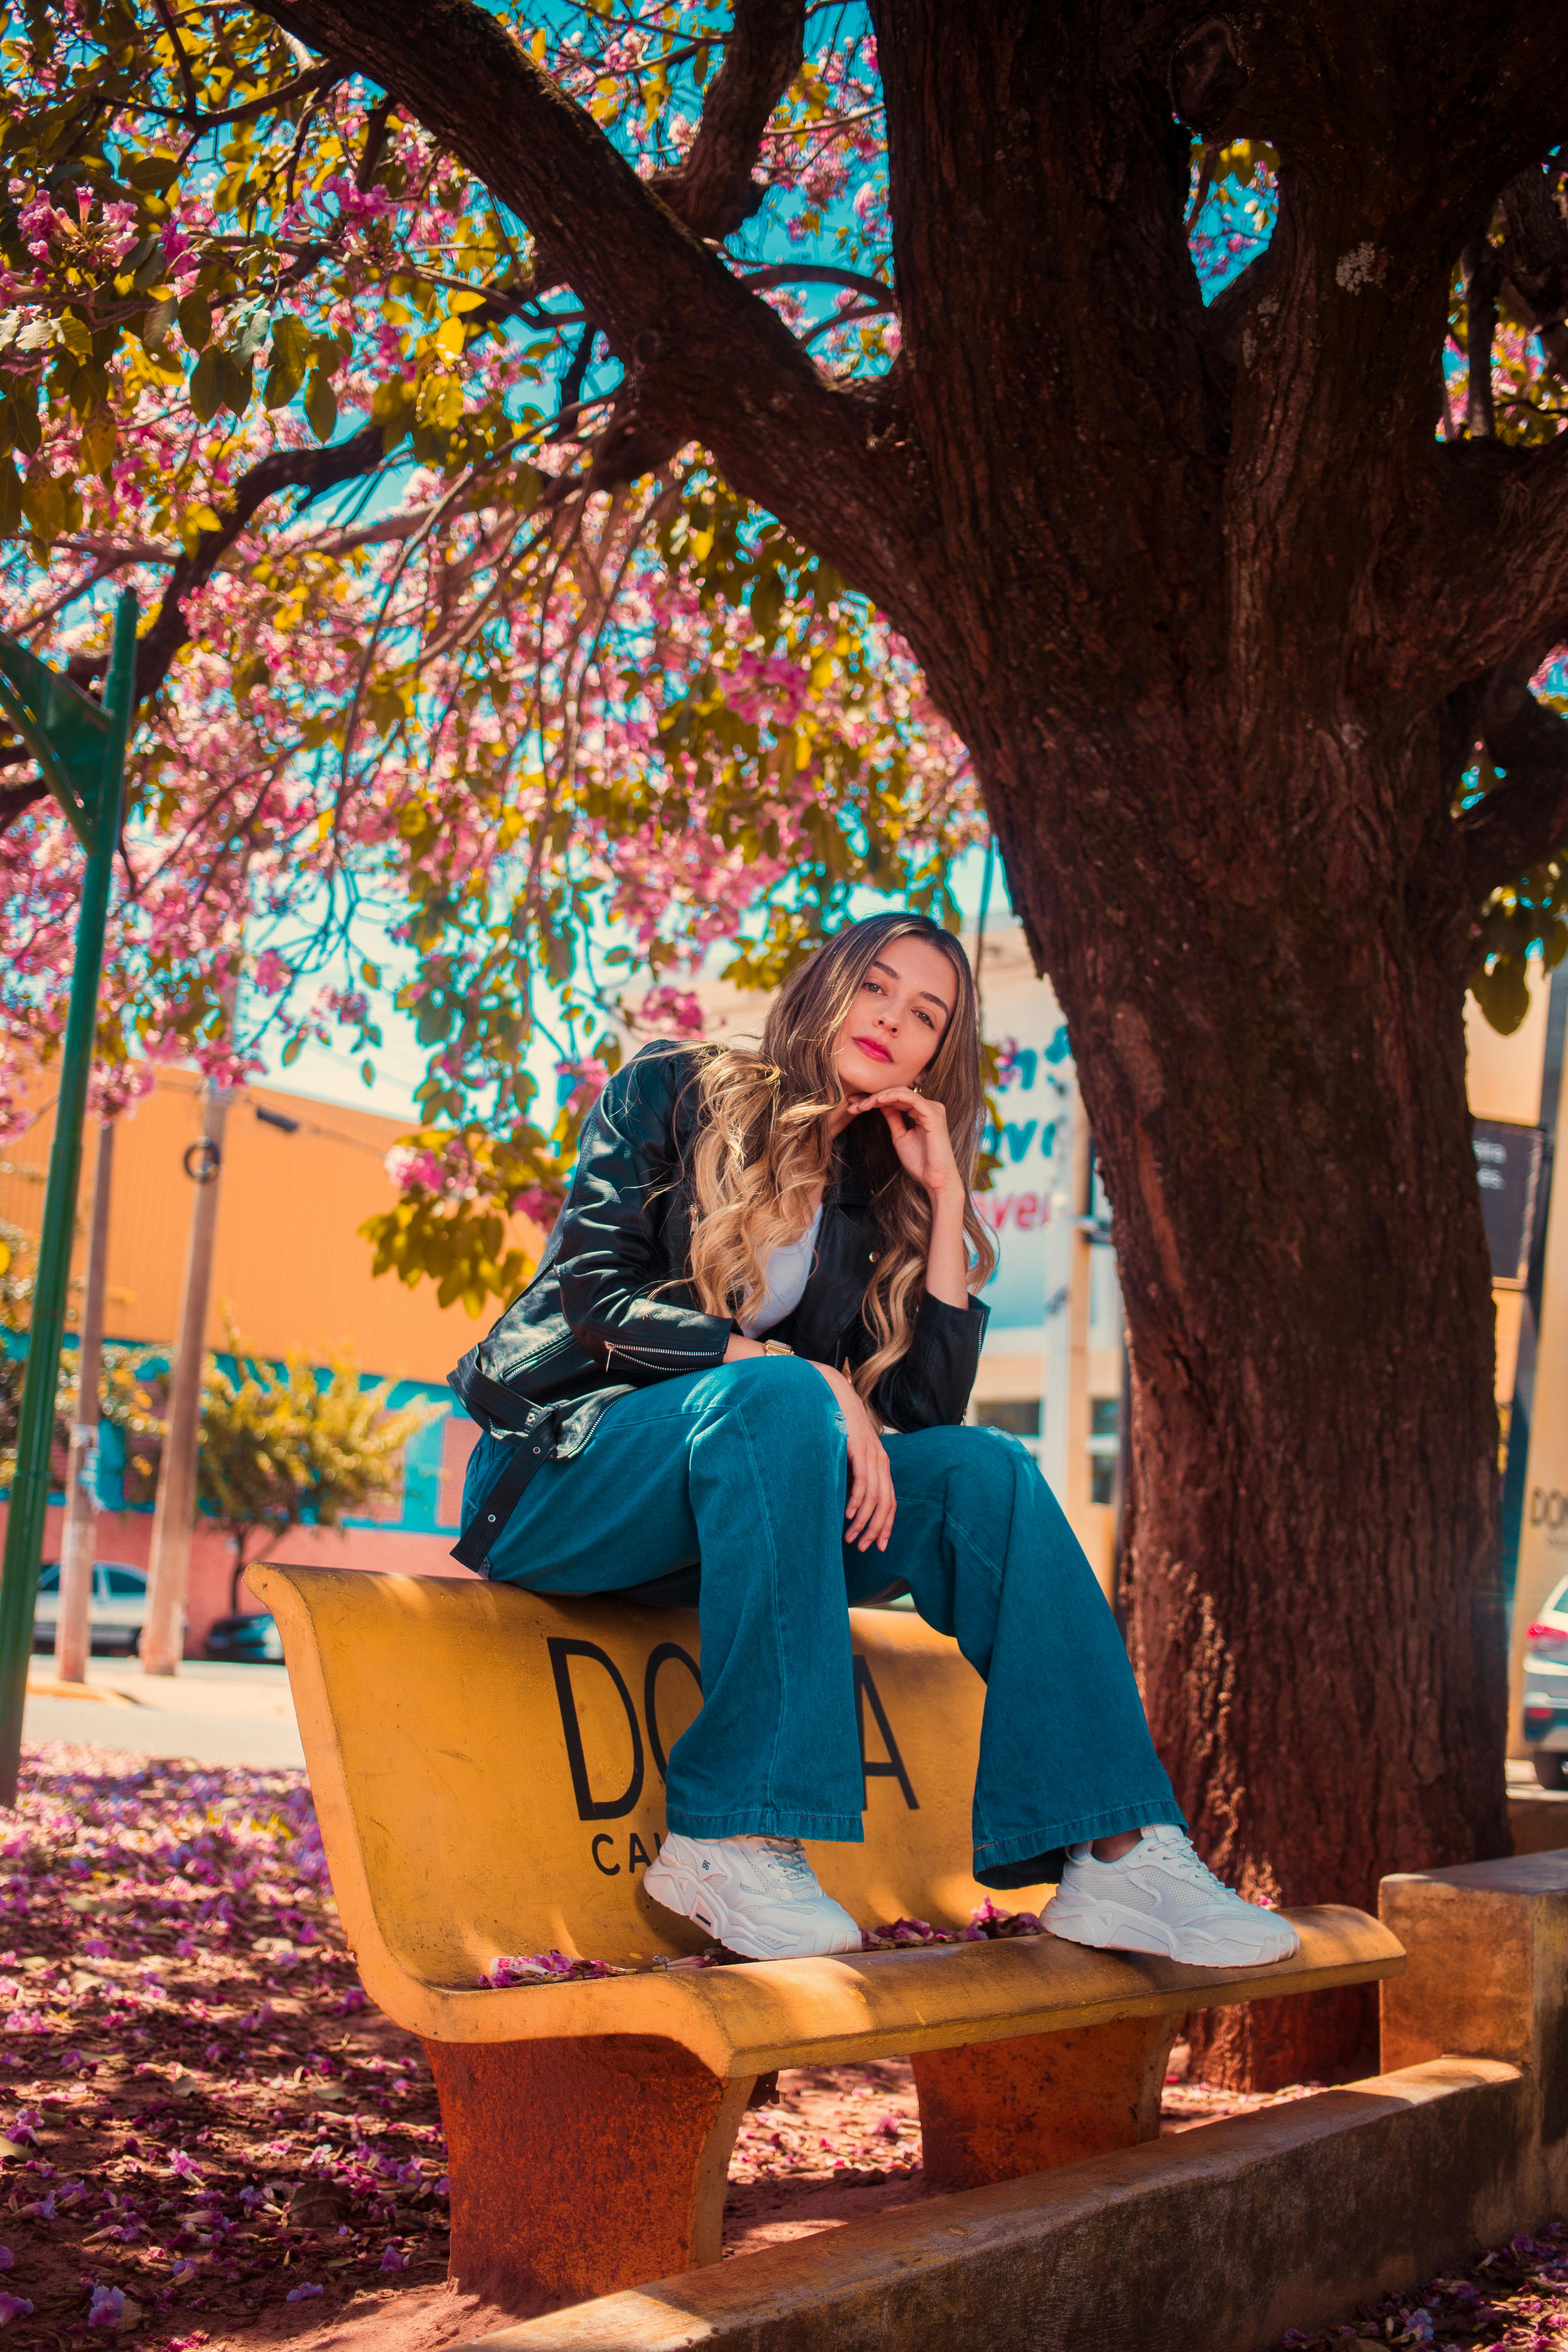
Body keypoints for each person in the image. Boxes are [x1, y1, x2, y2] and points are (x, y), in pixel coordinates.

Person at [452, 913, 1297, 1972]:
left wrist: (943, 1199)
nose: (893, 1020)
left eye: (926, 1015)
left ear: (938, 1056)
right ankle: (733, 1837)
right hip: (564, 1481)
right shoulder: (671, 1087)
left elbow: (927, 1417)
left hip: (723, 1525)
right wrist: (799, 1375)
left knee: (985, 1473)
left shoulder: (868, 1184)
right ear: (829, 986)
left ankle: (1118, 1853)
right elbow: (595, 1300)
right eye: (877, 987)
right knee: (780, 1399)